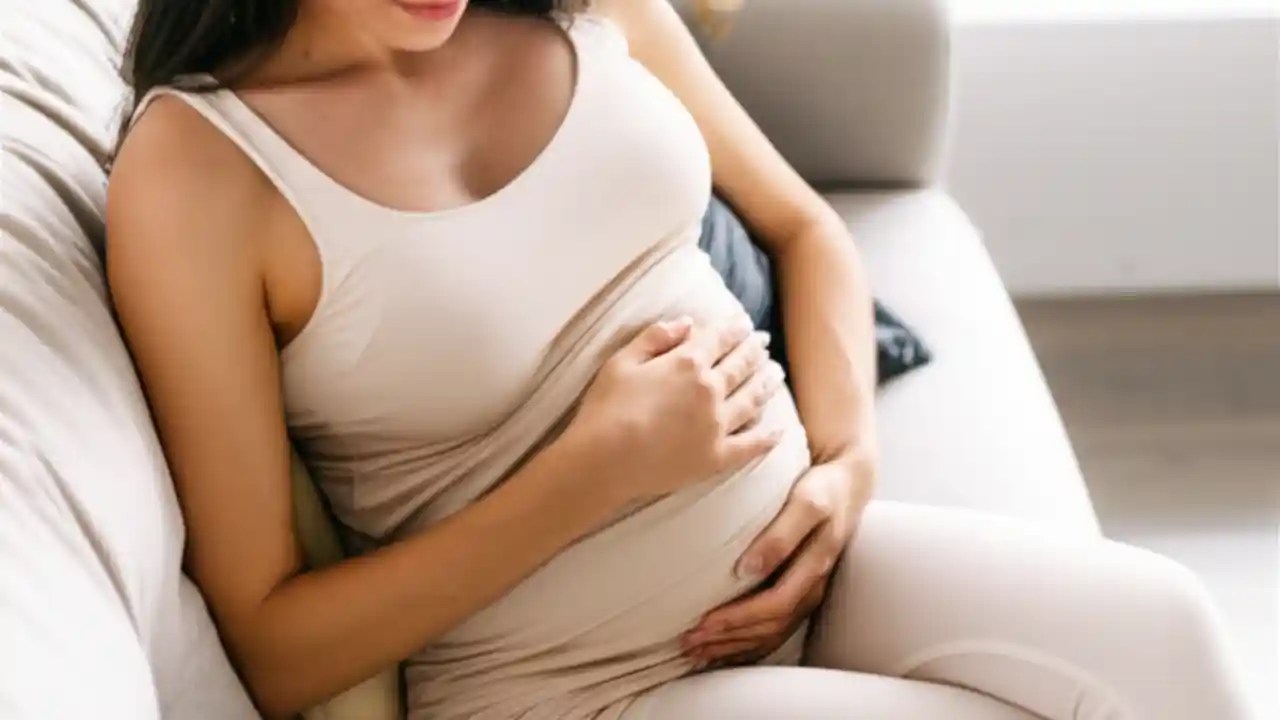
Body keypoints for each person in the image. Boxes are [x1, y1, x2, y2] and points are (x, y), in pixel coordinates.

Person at [106, 1, 1259, 718]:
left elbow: (808, 232)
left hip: (803, 571)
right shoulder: (199, 172)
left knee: (1159, 628)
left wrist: (845, 463)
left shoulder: (581, 12)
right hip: (579, 688)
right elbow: (267, 645)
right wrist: (592, 471)